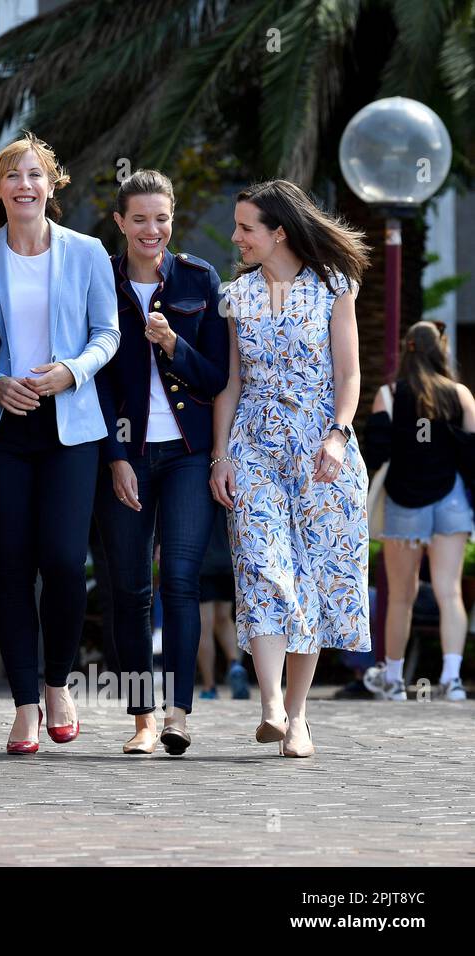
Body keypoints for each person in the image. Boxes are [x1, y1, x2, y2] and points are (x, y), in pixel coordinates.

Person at [0, 133, 118, 754]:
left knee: (65, 562)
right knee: (12, 565)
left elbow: (109, 334)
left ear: (51, 186)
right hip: (1, 430)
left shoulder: (89, 251)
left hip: (69, 426)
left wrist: (71, 370)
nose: (24, 184)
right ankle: (24, 705)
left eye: (35, 175)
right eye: (12, 176)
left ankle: (57, 684)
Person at [210, 179, 370, 758]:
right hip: (254, 446)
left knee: (316, 579)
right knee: (262, 564)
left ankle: (298, 718)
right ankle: (271, 704)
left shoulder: (334, 287)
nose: (236, 237)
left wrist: (339, 433)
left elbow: (349, 375)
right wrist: (221, 455)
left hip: (322, 452)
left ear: (279, 231)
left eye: (246, 228)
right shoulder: (235, 296)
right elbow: (230, 384)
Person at [93, 169, 229, 756]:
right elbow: (92, 379)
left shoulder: (200, 278)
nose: (153, 229)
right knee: (127, 589)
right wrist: (115, 457)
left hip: (187, 456)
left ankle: (178, 714)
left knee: (179, 580)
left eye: (163, 218)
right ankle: (142, 719)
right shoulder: (100, 281)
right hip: (128, 455)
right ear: (120, 222)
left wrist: (175, 344)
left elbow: (219, 377)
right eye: (140, 218)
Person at [362, 321, 471, 702]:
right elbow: (471, 457)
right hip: (452, 500)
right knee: (449, 592)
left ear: (406, 349)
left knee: (401, 596)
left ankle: (393, 680)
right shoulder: (460, 395)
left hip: (405, 502)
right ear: (440, 350)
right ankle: (452, 679)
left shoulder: (389, 394)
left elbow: (374, 453)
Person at [197, 501, 249, 700]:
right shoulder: (228, 475)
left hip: (204, 558)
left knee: (205, 623)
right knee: (224, 617)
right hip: (228, 558)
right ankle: (234, 663)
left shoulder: (194, 478)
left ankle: (210, 685)